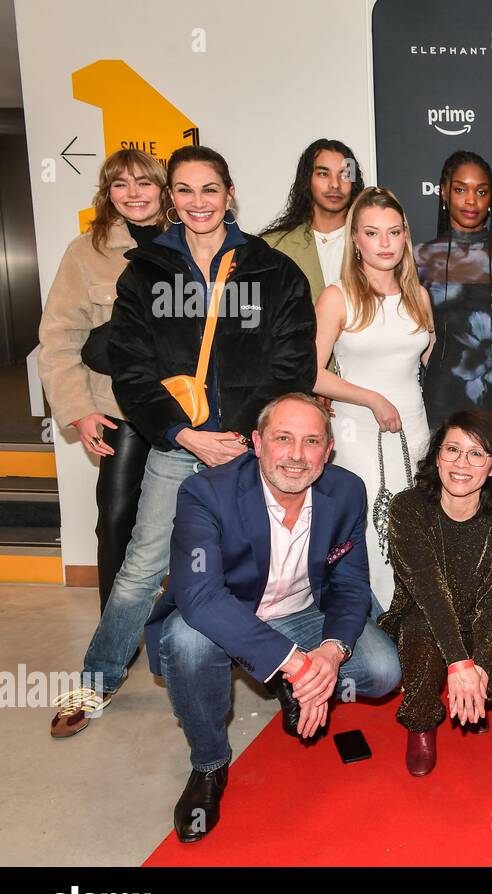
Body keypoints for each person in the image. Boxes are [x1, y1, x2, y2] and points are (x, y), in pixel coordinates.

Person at [49, 145, 318, 738]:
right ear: (173, 198)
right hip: (178, 448)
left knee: (273, 568)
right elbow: (131, 369)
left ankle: (300, 674)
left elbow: (293, 362)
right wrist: (184, 433)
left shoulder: (272, 271)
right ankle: (97, 680)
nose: (199, 203)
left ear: (229, 194)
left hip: (253, 454)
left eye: (210, 190)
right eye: (186, 191)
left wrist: (247, 434)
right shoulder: (145, 274)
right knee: (141, 568)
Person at [146, 394, 402, 842]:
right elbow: (201, 597)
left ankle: (286, 677)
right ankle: (209, 764)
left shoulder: (345, 491)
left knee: (383, 671)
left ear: (328, 450)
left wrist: (328, 653)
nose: (297, 456)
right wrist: (299, 665)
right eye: (283, 439)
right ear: (257, 443)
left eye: (311, 441)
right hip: (231, 614)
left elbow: (349, 584)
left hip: (303, 613)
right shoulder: (206, 493)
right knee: (186, 642)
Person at [37, 148, 166, 613]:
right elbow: (58, 337)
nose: (133, 194)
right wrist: (79, 409)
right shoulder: (85, 251)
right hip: (118, 408)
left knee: (198, 520)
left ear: (163, 188)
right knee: (115, 519)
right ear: (107, 193)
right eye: (120, 184)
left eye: (144, 183)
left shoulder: (194, 240)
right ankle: (117, 629)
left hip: (185, 408)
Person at [380, 409, 492, 776]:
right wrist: (459, 663)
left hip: (474, 624)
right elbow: (428, 590)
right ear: (437, 457)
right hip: (421, 616)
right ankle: (421, 720)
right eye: (453, 450)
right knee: (421, 637)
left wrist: (476, 670)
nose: (463, 462)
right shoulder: (408, 509)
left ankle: (469, 697)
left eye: (477, 453)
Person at [313, 186, 435, 611]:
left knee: (415, 526)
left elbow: (422, 358)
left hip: (414, 429)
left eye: (394, 232)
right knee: (371, 528)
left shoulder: (419, 297)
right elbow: (311, 374)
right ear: (356, 241)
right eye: (372, 233)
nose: (385, 243)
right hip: (357, 432)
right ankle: (375, 624)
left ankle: (413, 623)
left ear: (405, 237)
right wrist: (372, 399)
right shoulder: (337, 296)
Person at [414, 151, 492, 438]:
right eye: (461, 190)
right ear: (444, 192)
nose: (471, 200)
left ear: (491, 198)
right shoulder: (421, 258)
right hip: (442, 399)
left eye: (481, 192)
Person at [262, 139, 365, 304]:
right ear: (307, 180)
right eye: (323, 174)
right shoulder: (273, 247)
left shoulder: (375, 243)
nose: (335, 184)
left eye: (345, 175)